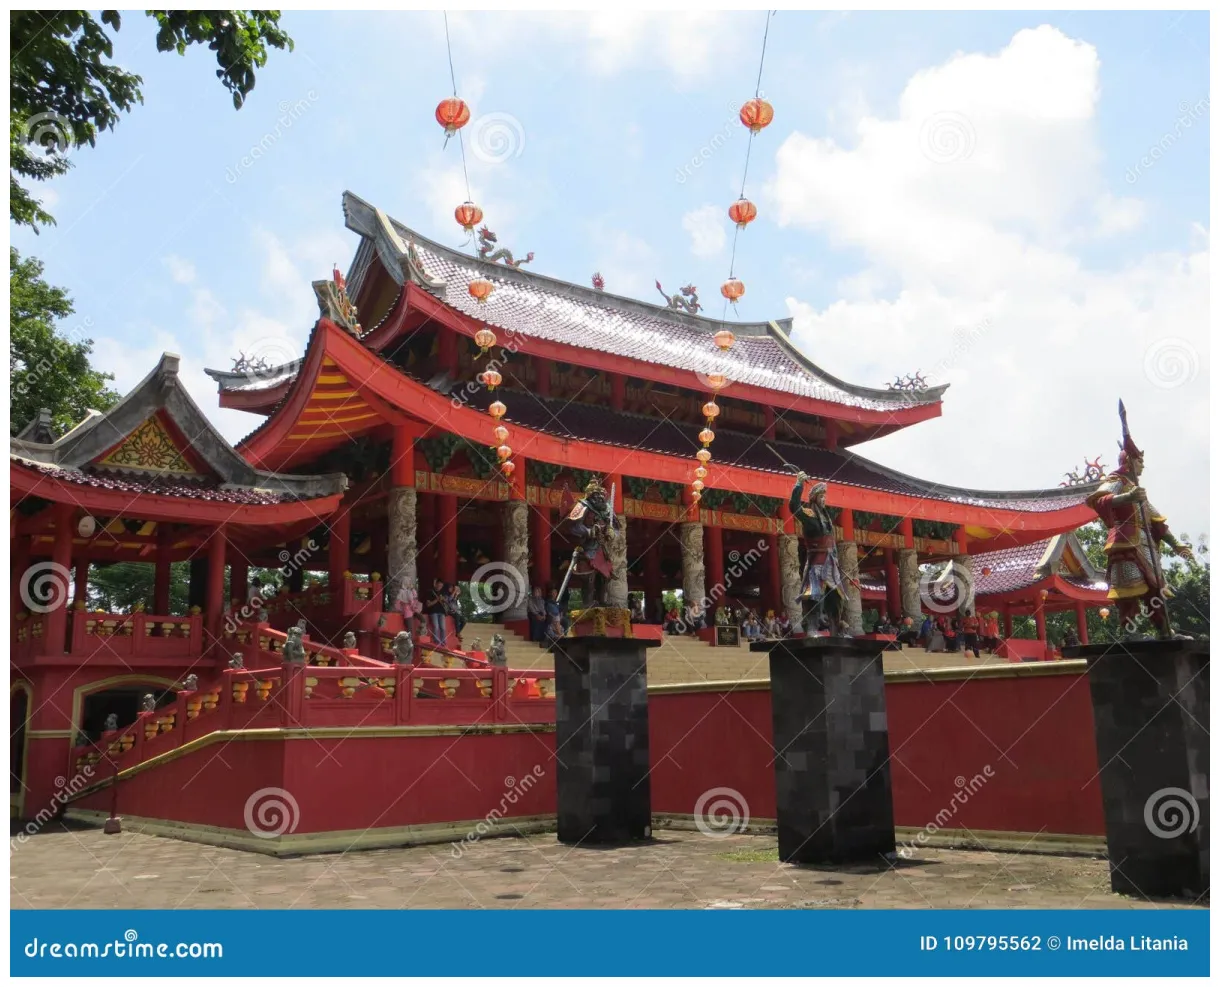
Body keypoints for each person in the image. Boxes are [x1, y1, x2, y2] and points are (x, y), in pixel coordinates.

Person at [790, 472, 847, 636]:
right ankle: (812, 628)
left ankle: (836, 629)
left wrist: (836, 559)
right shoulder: (809, 515)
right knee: (815, 594)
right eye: (821, 497)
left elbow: (832, 542)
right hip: (816, 561)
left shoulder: (827, 519)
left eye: (824, 497)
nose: (824, 500)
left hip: (830, 562)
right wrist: (799, 484)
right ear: (814, 498)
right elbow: (794, 507)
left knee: (836, 596)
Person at [425, 577, 448, 647]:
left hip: (442, 612)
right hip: (433, 612)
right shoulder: (430, 592)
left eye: (441, 586)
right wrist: (437, 600)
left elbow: (446, 603)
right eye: (439, 585)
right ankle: (436, 640)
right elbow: (428, 604)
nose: (440, 587)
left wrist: (444, 600)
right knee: (436, 626)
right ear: (436, 584)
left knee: (443, 628)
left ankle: (443, 642)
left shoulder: (443, 592)